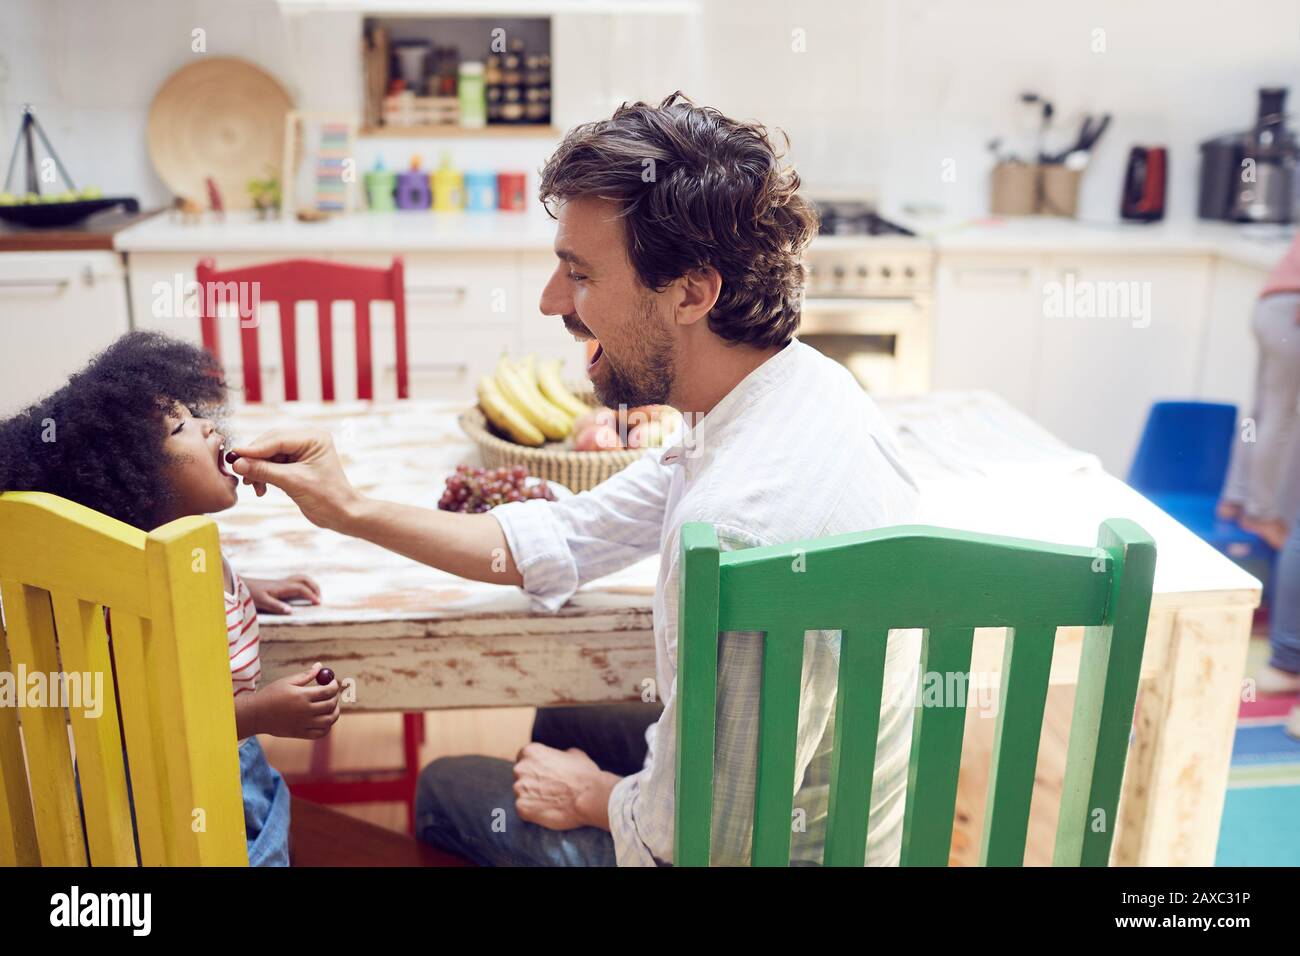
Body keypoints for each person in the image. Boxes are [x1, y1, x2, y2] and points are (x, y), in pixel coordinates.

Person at [229, 93, 922, 866]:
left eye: (580, 274)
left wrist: (592, 795)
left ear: (692, 293)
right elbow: (562, 535)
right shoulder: (790, 392)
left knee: (451, 789)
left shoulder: (742, 535)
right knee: (569, 721)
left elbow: (708, 847)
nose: (552, 301)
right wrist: (349, 508)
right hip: (829, 799)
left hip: (763, 850)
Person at [0, 331, 341, 865]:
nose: (210, 426)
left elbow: (195, 584)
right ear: (137, 486)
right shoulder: (128, 610)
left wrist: (243, 587)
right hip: (171, 796)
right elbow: (158, 725)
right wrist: (259, 712)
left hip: (225, 763)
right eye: (182, 427)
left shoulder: (182, 551)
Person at [1219, 236, 1300, 550]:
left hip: (1270, 306)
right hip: (1293, 311)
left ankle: (1235, 498)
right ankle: (1261, 514)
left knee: (1263, 411)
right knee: (1280, 415)